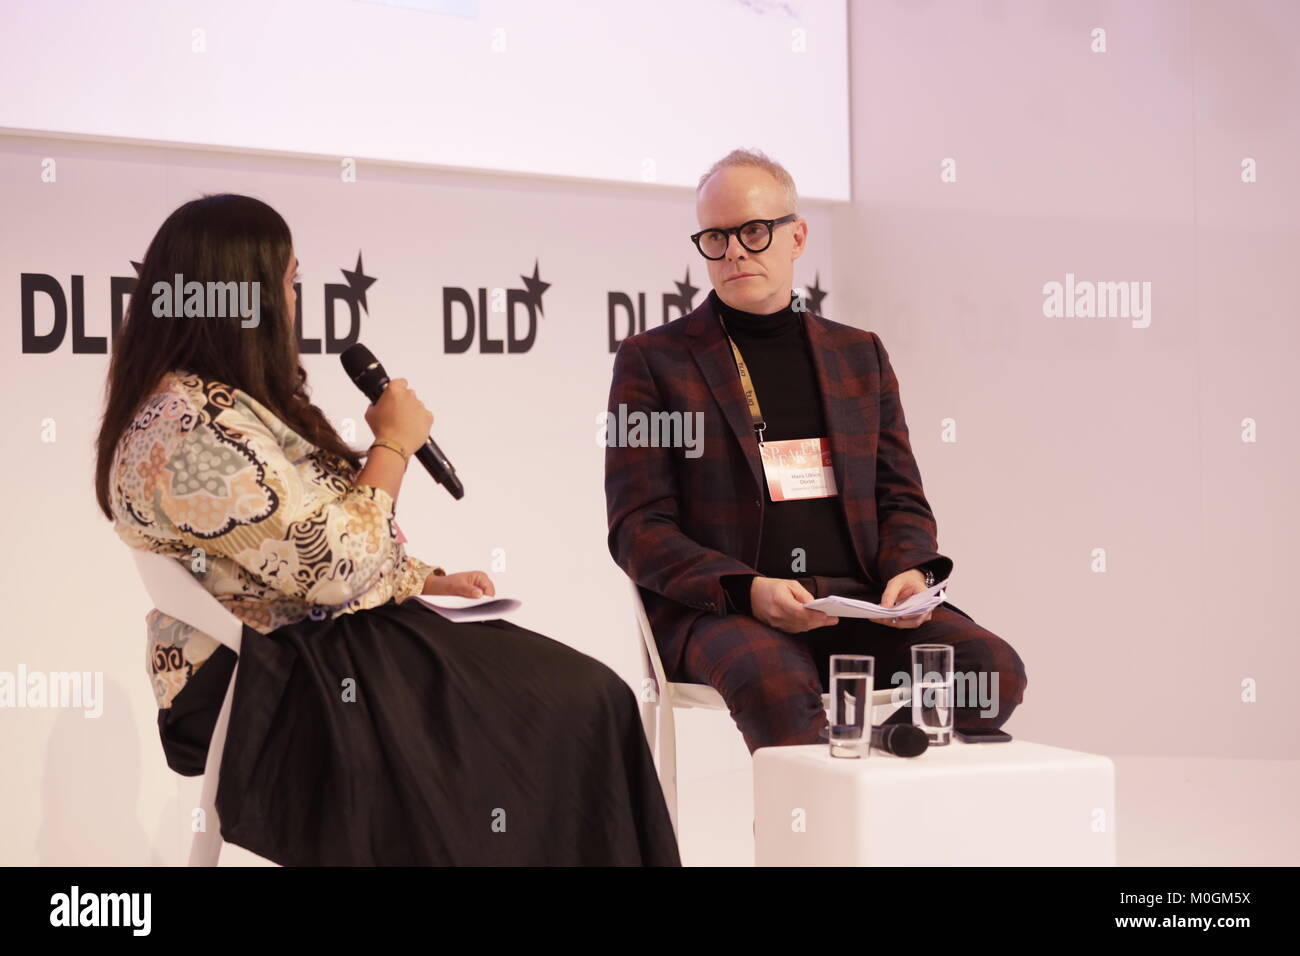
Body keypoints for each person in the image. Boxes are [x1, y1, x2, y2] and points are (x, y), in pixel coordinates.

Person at [96, 193, 680, 866]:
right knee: (575, 706)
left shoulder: (217, 404)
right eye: (288, 284)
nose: (294, 303)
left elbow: (288, 544)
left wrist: (420, 578)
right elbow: (331, 564)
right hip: (268, 673)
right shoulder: (188, 429)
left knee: (584, 698)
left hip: (318, 644)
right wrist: (394, 447)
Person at [604, 149, 1028, 754]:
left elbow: (899, 495)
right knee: (778, 687)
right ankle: (806, 831)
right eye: (715, 238)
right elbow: (636, 527)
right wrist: (747, 589)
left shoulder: (859, 354)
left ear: (797, 236)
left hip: (856, 600)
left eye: (753, 231)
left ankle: (868, 753)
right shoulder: (654, 361)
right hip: (728, 611)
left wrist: (909, 572)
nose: (734, 252)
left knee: (991, 671)